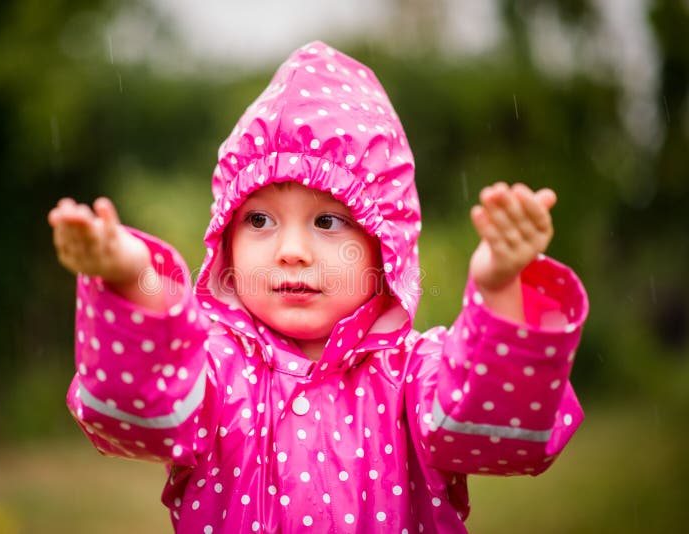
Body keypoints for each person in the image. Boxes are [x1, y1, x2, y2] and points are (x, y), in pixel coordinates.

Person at [48, 41, 588, 532]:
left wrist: (499, 288)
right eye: (259, 220)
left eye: (327, 221)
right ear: (227, 241)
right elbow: (133, 414)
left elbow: (498, 433)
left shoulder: (414, 378)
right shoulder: (212, 373)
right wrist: (129, 279)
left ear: (384, 245)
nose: (292, 251)